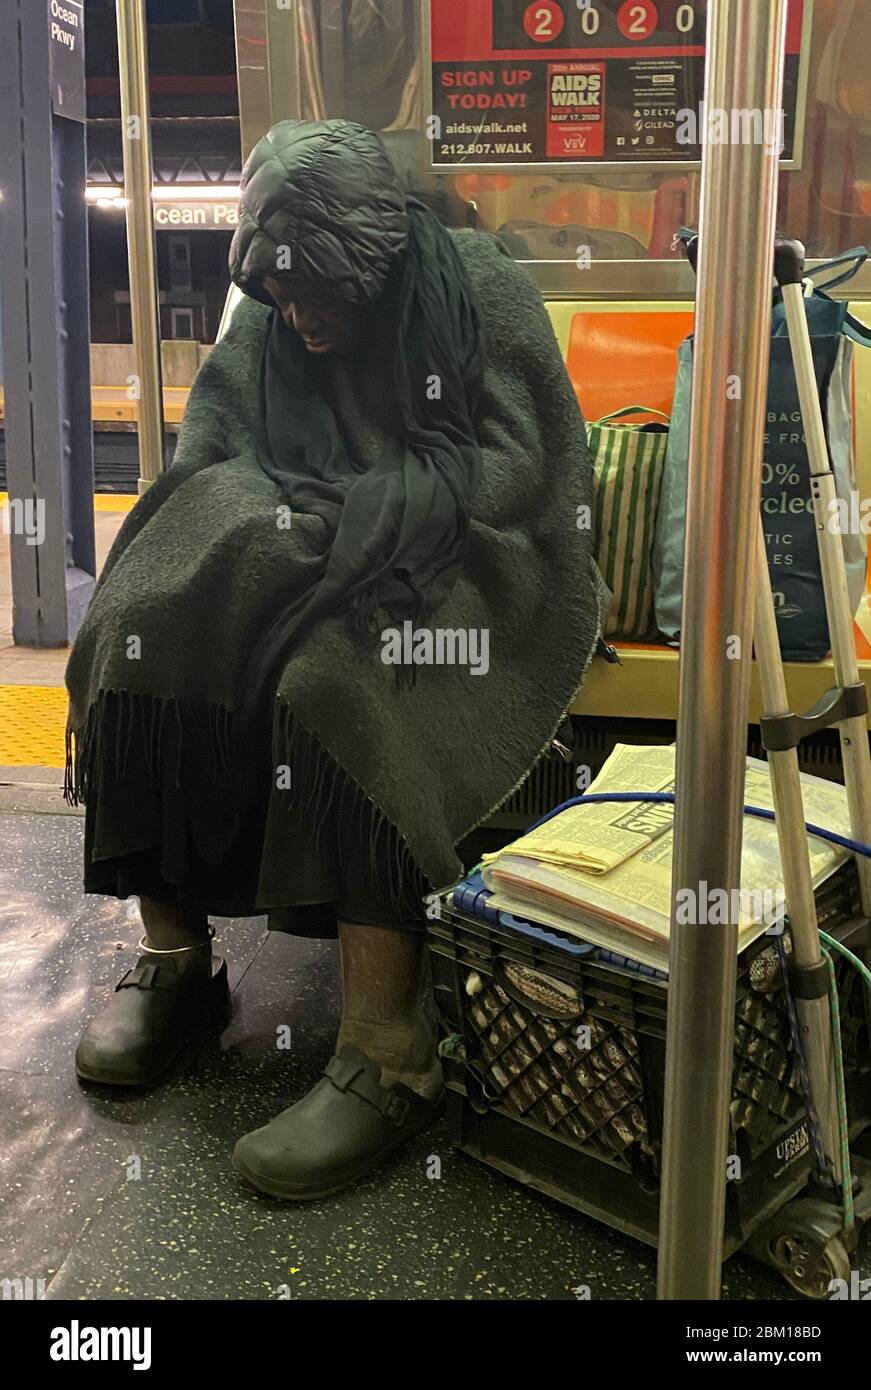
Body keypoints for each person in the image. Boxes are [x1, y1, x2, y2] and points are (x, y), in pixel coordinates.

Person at [66, 119, 608, 1200]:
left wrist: (364, 514)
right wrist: (281, 525)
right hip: (311, 545)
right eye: (279, 295)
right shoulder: (273, 310)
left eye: (319, 294)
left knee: (338, 687)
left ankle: (389, 1049)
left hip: (466, 564)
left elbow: (524, 470)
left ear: (377, 259)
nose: (298, 317)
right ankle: (177, 961)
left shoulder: (479, 298)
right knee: (141, 622)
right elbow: (216, 447)